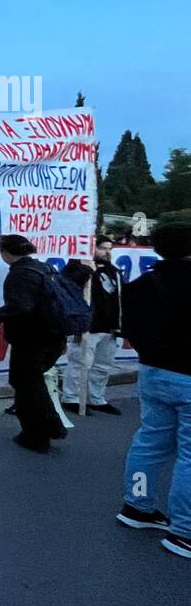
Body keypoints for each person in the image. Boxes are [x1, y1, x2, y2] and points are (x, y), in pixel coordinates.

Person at [115, 219, 191, 558]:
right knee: (188, 455)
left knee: (150, 441)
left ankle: (138, 506)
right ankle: (185, 531)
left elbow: (130, 330)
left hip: (152, 371)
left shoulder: (138, 285)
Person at [0, 235, 67, 453]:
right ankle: (49, 427)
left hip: (31, 338)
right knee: (32, 383)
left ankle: (37, 434)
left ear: (5, 252)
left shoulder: (20, 274)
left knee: (26, 385)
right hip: (53, 336)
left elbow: (23, 307)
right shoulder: (45, 268)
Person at [61, 236, 123, 415]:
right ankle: (72, 397)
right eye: (103, 248)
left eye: (109, 248)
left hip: (110, 326)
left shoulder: (114, 272)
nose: (107, 252)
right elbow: (68, 287)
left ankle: (97, 398)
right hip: (89, 326)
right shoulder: (76, 268)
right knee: (80, 364)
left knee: (103, 366)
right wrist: (85, 270)